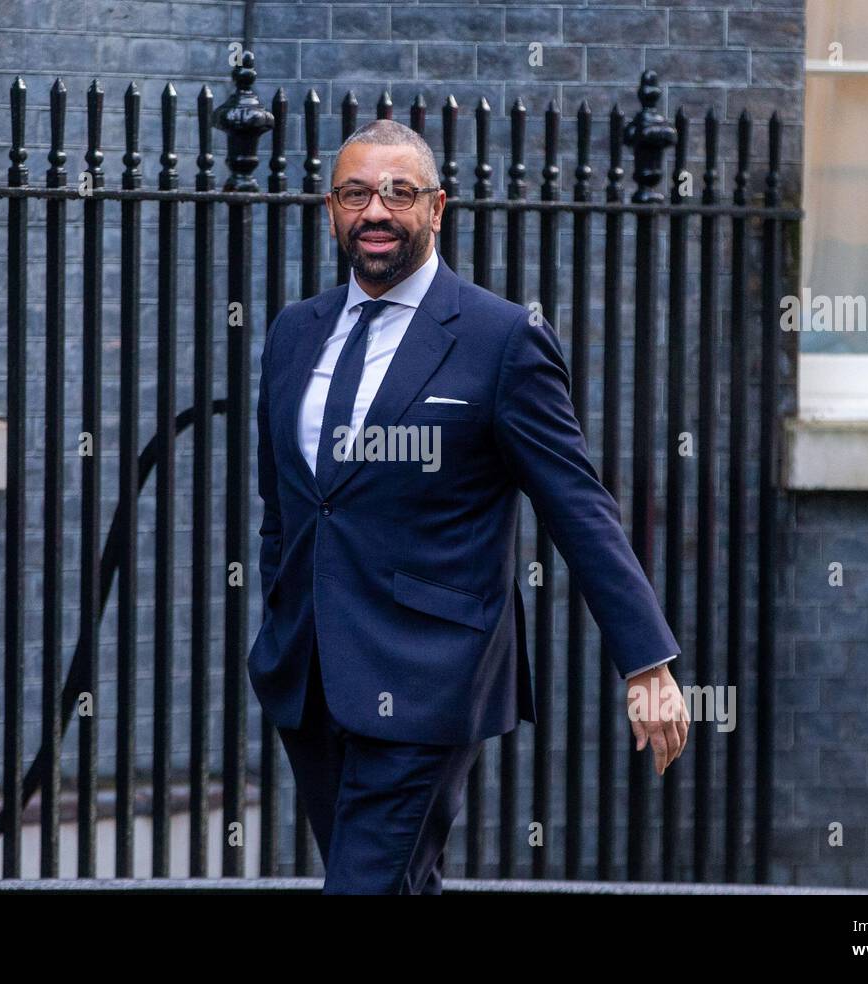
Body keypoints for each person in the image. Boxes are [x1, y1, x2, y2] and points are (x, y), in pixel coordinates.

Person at [248, 119, 689, 894]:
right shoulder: (295, 333)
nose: (376, 212)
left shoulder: (500, 339)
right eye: (356, 194)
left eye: (399, 193)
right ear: (330, 209)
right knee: (398, 884)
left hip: (429, 676)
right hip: (311, 674)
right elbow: (285, 505)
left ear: (437, 208)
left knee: (363, 887)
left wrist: (646, 660)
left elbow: (577, 506)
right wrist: (281, 612)